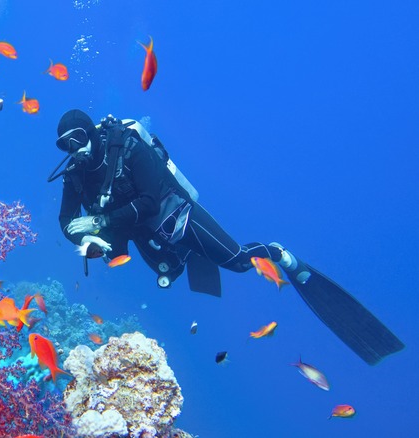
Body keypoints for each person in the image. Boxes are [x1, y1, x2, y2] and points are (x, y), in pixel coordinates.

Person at [49, 109, 404, 365]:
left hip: (177, 216)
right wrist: (87, 241)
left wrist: (99, 219)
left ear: (92, 133)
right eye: (65, 145)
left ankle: (278, 253)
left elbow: (149, 200)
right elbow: (66, 220)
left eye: (78, 139)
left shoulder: (128, 149)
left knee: (236, 263)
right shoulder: (75, 175)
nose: (74, 150)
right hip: (142, 233)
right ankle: (184, 257)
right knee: (167, 276)